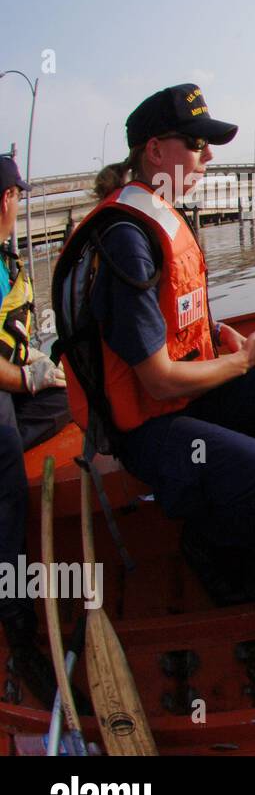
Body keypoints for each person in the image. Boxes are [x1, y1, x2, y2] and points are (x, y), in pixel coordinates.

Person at [56, 84, 255, 619]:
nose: (209, 157)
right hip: (146, 428)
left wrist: (219, 340)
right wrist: (244, 361)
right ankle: (212, 545)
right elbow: (158, 380)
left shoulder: (163, 215)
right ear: (155, 151)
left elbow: (177, 316)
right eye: (196, 143)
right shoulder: (125, 238)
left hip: (186, 401)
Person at [0, 153, 77, 708]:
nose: (18, 205)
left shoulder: (7, 257)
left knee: (71, 398)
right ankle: (19, 628)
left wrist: (38, 372)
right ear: (6, 200)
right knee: (7, 483)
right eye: (17, 197)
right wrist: (24, 378)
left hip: (12, 385)